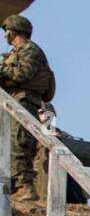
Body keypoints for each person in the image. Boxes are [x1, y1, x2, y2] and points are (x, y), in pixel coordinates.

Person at [0, 14, 54, 202]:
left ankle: (27, 187)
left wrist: (1, 70)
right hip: (13, 102)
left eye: (7, 31)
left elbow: (23, 73)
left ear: (13, 31)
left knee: (20, 144)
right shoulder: (17, 52)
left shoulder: (30, 50)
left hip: (25, 102)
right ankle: (17, 186)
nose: (5, 35)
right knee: (8, 144)